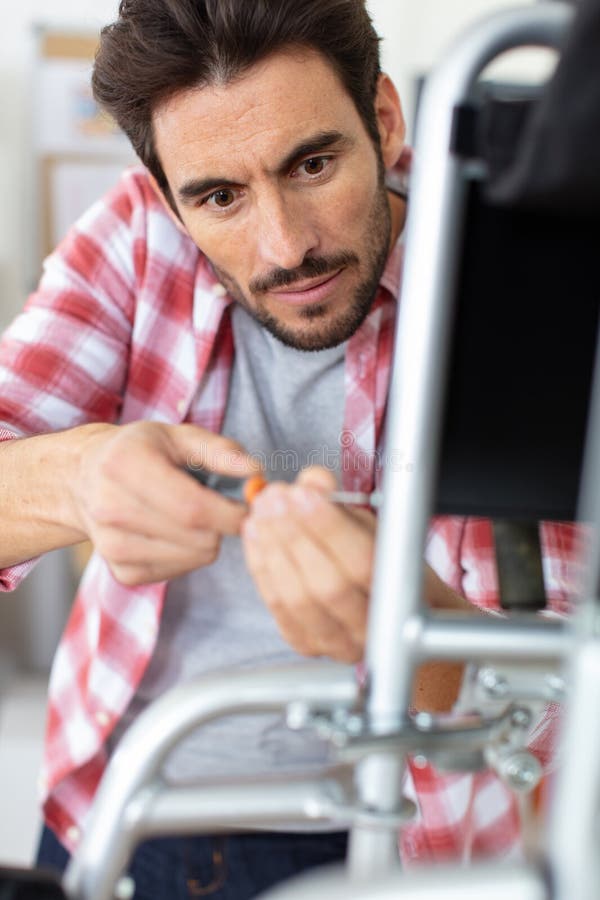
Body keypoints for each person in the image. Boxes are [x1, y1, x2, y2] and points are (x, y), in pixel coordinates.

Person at [0, 0, 578, 896]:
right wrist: (76, 477)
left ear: (383, 122)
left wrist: (410, 628)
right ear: (167, 196)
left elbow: (563, 700)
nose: (285, 248)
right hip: (126, 808)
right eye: (219, 197)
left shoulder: (519, 280)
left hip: (409, 846)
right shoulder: (140, 233)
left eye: (312, 164)